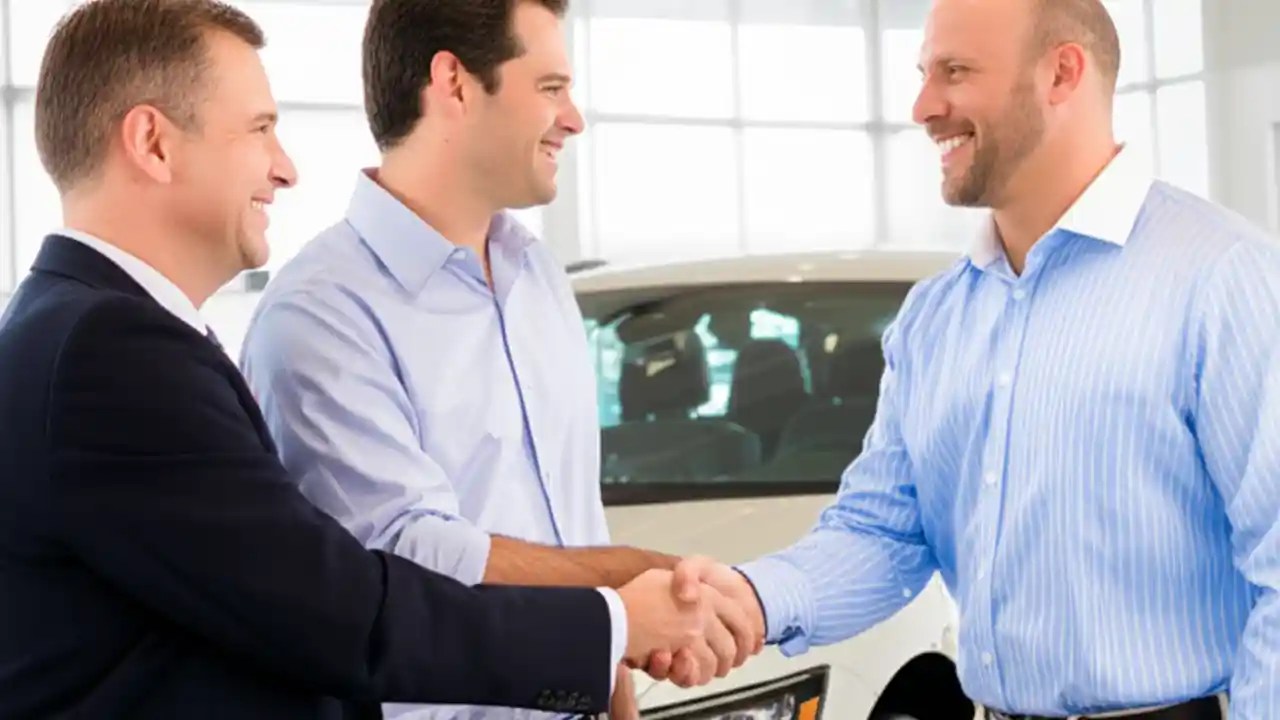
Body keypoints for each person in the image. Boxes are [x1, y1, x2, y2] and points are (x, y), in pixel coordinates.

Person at [0, 1, 721, 718]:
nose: (285, 170)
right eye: (259, 131)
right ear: (153, 143)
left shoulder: (85, 332)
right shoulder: (113, 355)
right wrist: (615, 618)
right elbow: (342, 610)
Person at [670, 0, 1280, 718]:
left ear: (1062, 72)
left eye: (955, 72)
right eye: (925, 73)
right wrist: (749, 599)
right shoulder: (936, 316)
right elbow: (883, 532)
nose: (924, 106)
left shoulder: (1222, 279)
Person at [239, 2, 762, 718]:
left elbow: (573, 524)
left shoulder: (535, 273)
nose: (573, 118)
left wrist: (618, 695)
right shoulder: (320, 313)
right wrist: (634, 580)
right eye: (550, 87)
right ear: (453, 83)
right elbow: (410, 555)